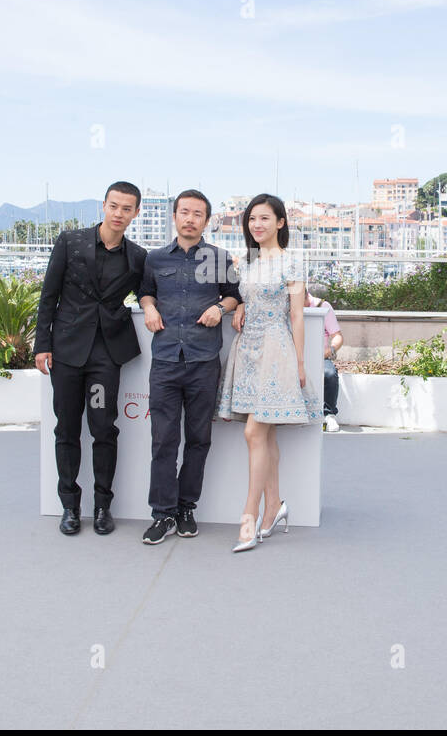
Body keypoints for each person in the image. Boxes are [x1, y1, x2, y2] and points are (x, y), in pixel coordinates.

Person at [33, 182, 147, 537]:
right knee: (66, 429)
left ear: (135, 213)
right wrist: (41, 344)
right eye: (114, 206)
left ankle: (102, 507)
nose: (119, 213)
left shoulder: (137, 256)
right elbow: (49, 294)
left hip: (105, 355)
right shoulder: (71, 241)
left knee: (103, 429)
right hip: (66, 351)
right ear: (104, 205)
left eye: (126, 208)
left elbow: (149, 294)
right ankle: (69, 506)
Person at [215, 193, 322, 553]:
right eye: (252, 220)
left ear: (280, 222)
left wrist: (301, 362)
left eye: (264, 218)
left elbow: (296, 315)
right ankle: (275, 506)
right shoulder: (245, 263)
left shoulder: (292, 263)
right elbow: (245, 293)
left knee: (252, 433)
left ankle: (250, 515)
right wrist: (242, 304)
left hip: (277, 350)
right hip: (247, 350)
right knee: (266, 436)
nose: (256, 225)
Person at [137, 189, 242, 545]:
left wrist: (221, 308)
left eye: (198, 214)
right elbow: (145, 291)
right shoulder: (155, 259)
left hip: (202, 361)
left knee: (199, 439)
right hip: (166, 361)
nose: (190, 219)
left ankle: (186, 507)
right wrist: (149, 307)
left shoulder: (218, 257)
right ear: (175, 216)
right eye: (185, 212)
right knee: (163, 440)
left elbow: (233, 294)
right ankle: (161, 514)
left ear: (206, 221)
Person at [306, 290, 343, 432]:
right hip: (294, 355)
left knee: (329, 374)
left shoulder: (322, 305)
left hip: (320, 356)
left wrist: (330, 350)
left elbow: (338, 336)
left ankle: (329, 414)